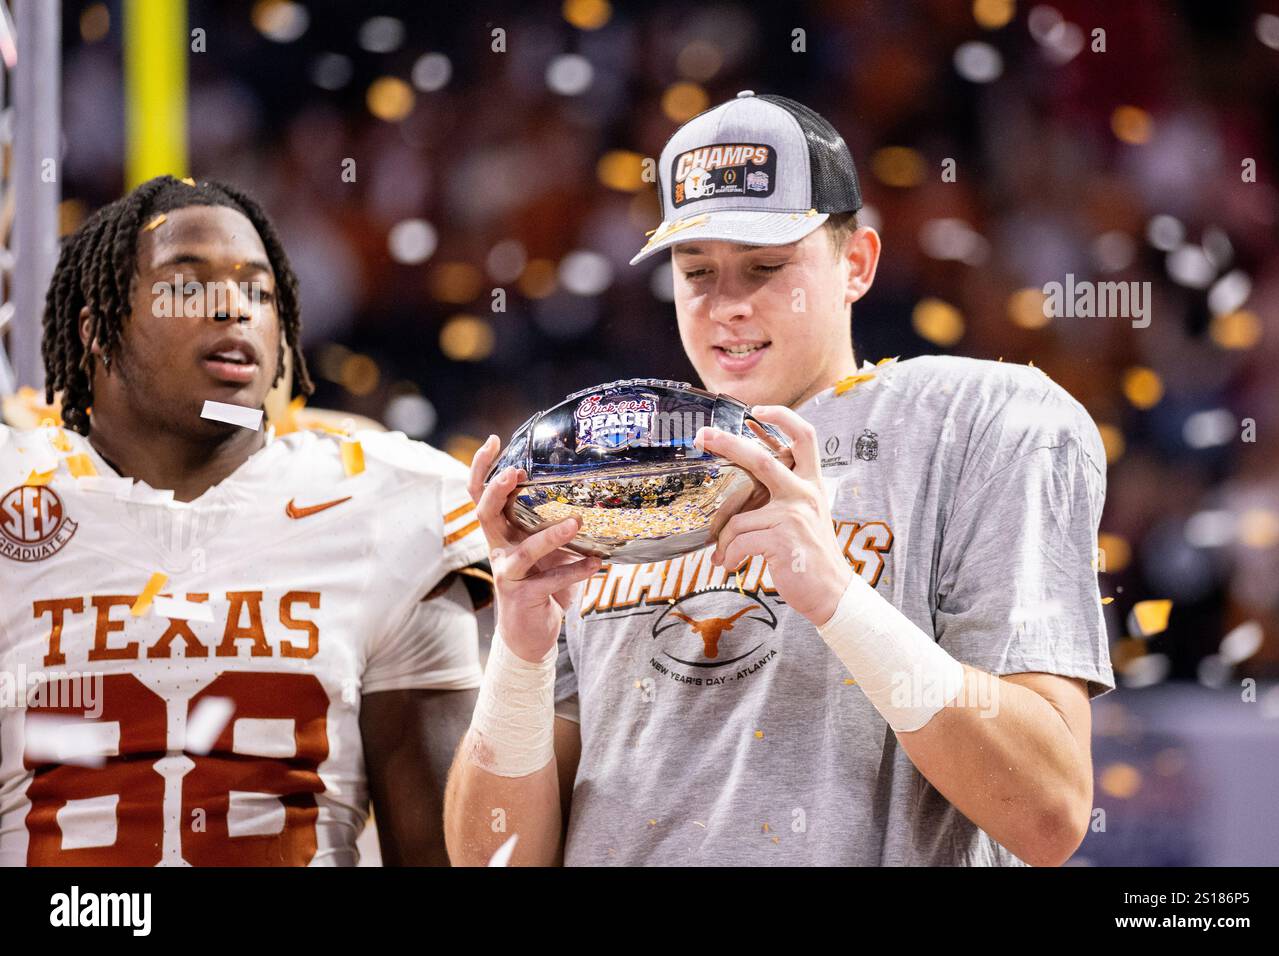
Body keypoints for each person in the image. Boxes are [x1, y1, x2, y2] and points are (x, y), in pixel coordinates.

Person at [445, 92, 1113, 866]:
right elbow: (495, 860)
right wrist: (520, 656)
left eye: (765, 268)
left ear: (857, 263)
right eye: (697, 273)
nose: (727, 306)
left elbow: (1049, 814)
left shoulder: (981, 419)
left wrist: (836, 598)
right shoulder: (604, 475)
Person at [0, 175, 488, 865]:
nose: (233, 306)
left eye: (259, 290)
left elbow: (443, 852)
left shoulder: (388, 501)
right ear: (97, 328)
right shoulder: (17, 490)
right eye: (186, 283)